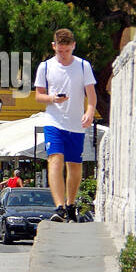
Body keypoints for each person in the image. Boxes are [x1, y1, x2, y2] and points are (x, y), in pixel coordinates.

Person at [35, 28, 97, 222]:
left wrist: (89, 112)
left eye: (66, 51)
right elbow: (38, 96)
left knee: (74, 165)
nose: (62, 55)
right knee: (55, 158)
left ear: (73, 46)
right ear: (54, 47)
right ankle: (60, 206)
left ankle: (71, 203)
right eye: (59, 51)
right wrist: (52, 98)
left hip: (76, 123)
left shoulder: (83, 66)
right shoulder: (45, 67)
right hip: (53, 120)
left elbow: (91, 95)